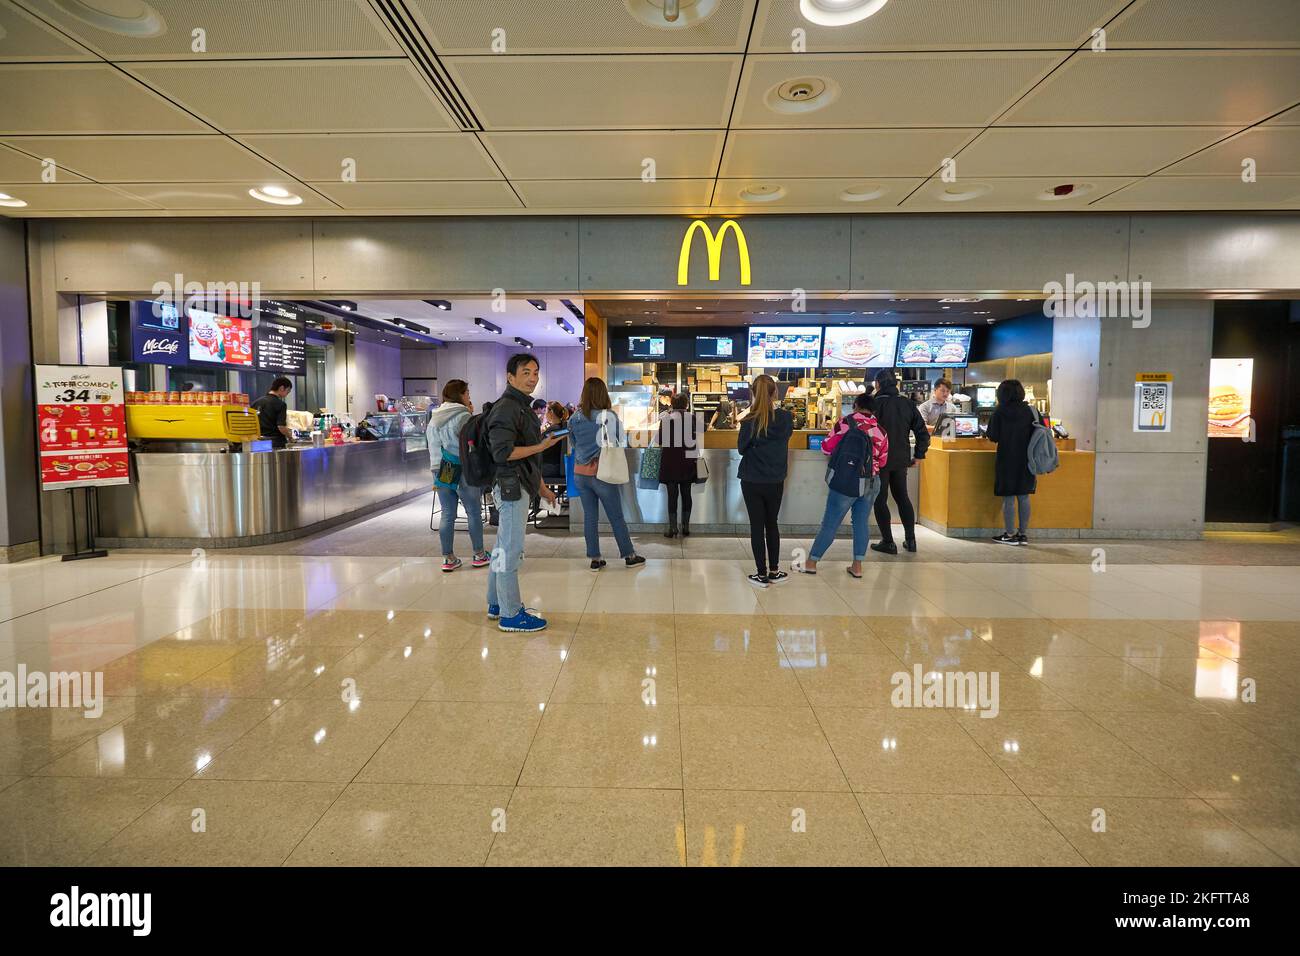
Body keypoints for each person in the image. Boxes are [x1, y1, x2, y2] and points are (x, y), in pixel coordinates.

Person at [485, 354, 562, 632]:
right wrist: (541, 447)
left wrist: (543, 489)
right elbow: (503, 452)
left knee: (501, 547)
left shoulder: (520, 407)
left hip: (518, 483)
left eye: (536, 372)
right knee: (510, 550)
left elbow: (528, 459)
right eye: (526, 372)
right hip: (510, 486)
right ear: (510, 376)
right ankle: (511, 614)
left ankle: (496, 603)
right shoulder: (507, 407)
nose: (533, 378)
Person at [801, 393, 888, 578]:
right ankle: (857, 567)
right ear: (873, 410)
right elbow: (883, 461)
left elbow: (826, 448)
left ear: (855, 405)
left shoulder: (845, 423)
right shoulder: (881, 430)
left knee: (830, 523)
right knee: (861, 524)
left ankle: (812, 562)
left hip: (846, 481)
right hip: (871, 482)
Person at [568, 378, 647, 572]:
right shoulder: (608, 416)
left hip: (580, 473)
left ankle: (595, 558)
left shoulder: (574, 418)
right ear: (603, 394)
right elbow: (622, 440)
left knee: (590, 517)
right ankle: (629, 555)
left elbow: (574, 443)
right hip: (602, 473)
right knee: (616, 516)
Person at [426, 379, 489, 573]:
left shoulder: (434, 416)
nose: (469, 395)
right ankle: (479, 554)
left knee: (447, 513)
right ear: (460, 394)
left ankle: (448, 558)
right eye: (467, 392)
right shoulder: (462, 415)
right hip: (462, 466)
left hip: (440, 467)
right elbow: (471, 443)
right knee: (473, 511)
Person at [737, 374, 793, 589]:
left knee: (756, 526)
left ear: (752, 393)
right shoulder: (786, 418)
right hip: (775, 478)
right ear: (775, 392)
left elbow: (742, 449)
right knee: (772, 523)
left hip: (752, 479)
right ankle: (775, 570)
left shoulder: (749, 420)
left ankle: (761, 574)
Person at [869, 369, 930, 555]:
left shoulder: (873, 405)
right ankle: (910, 540)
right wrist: (919, 455)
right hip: (901, 459)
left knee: (880, 499)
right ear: (895, 384)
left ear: (877, 385)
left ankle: (888, 541)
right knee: (902, 497)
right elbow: (923, 433)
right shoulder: (907, 404)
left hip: (879, 460)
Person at [986, 379, 1041, 546]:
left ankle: (1009, 534)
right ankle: (1022, 534)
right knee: (1024, 496)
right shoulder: (1031, 410)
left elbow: (993, 436)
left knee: (1009, 497)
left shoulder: (1000, 411)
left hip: (1007, 459)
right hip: (1028, 459)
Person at [658, 392, 699, 538]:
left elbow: (660, 440)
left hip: (670, 462)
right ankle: (686, 527)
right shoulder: (692, 418)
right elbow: (702, 431)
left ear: (673, 404)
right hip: (688, 461)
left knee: (672, 495)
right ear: (686, 404)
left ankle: (673, 528)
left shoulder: (666, 418)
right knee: (686, 494)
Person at [251, 376, 293, 449]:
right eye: (287, 391)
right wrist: (290, 437)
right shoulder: (281, 404)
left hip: (258, 442)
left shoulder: (256, 402)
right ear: (282, 388)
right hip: (276, 443)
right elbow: (281, 427)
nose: (287, 394)